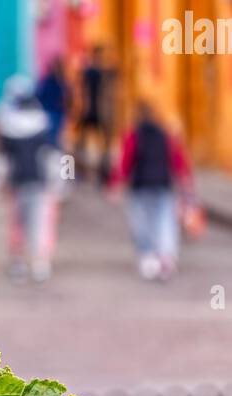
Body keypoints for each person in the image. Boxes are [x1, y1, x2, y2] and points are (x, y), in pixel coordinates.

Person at [109, 101, 192, 281]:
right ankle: (166, 257)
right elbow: (178, 160)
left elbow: (124, 162)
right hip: (163, 185)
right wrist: (186, 184)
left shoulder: (133, 136)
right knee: (165, 222)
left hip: (140, 187)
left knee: (142, 223)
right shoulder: (166, 135)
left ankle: (148, 257)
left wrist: (116, 184)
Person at [0, 76, 57, 282]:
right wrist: (62, 182)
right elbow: (54, 157)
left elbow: (3, 160)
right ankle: (40, 264)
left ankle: (18, 264)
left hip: (17, 182)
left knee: (17, 225)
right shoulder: (44, 125)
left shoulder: (8, 127)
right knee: (39, 224)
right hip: (39, 182)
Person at [76, 43, 116, 183]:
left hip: (97, 110)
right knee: (87, 142)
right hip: (95, 110)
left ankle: (98, 171)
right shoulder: (96, 72)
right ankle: (89, 170)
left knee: (98, 142)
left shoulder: (98, 72)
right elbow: (84, 91)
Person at [36, 57, 71, 148]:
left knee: (54, 134)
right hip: (50, 111)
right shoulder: (49, 82)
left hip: (56, 111)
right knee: (51, 134)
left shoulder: (60, 81)